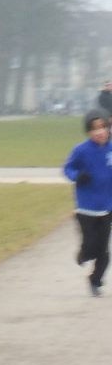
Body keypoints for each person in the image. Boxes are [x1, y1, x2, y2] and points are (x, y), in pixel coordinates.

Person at [63, 111, 112, 297]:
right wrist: (77, 176)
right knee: (90, 246)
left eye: (102, 127)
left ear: (108, 128)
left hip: (106, 208)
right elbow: (68, 168)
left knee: (104, 253)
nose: (99, 132)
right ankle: (83, 254)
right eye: (94, 129)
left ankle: (95, 280)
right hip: (86, 208)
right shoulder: (81, 150)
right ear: (89, 132)